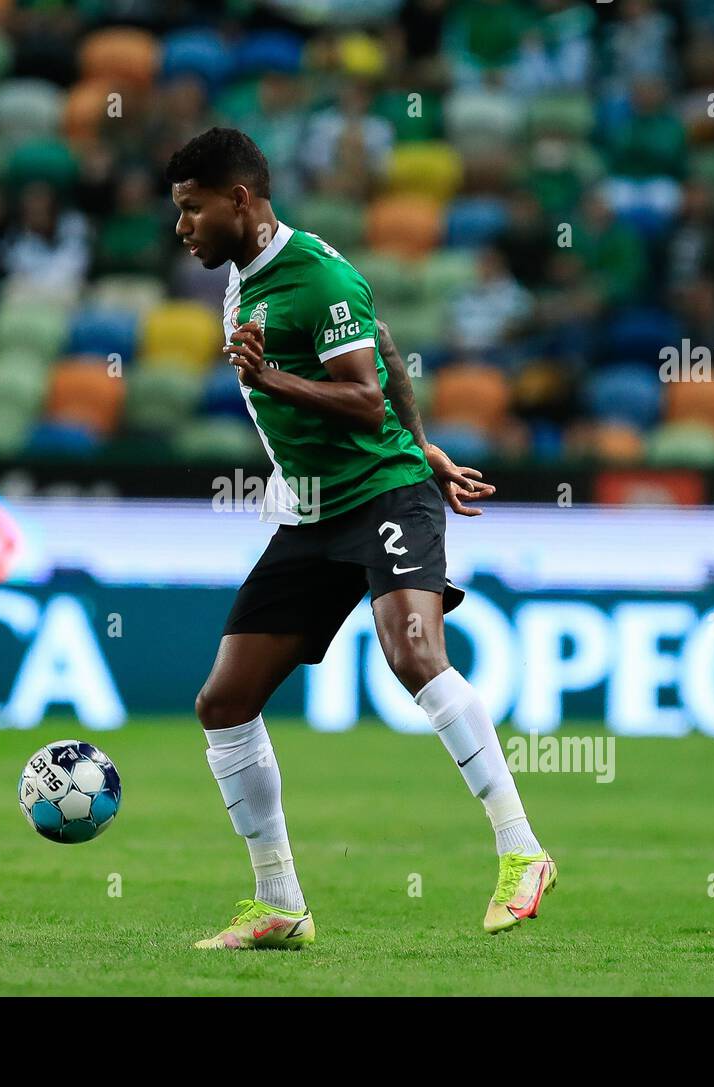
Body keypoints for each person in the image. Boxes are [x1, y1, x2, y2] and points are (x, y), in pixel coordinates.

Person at [167, 128, 555, 950]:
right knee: (224, 701)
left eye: (192, 208)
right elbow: (386, 353)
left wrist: (285, 385)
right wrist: (430, 442)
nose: (182, 227)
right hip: (307, 516)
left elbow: (366, 398)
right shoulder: (245, 282)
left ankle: (522, 851)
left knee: (413, 651)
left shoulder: (319, 275)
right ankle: (280, 902)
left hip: (383, 495)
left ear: (239, 199)